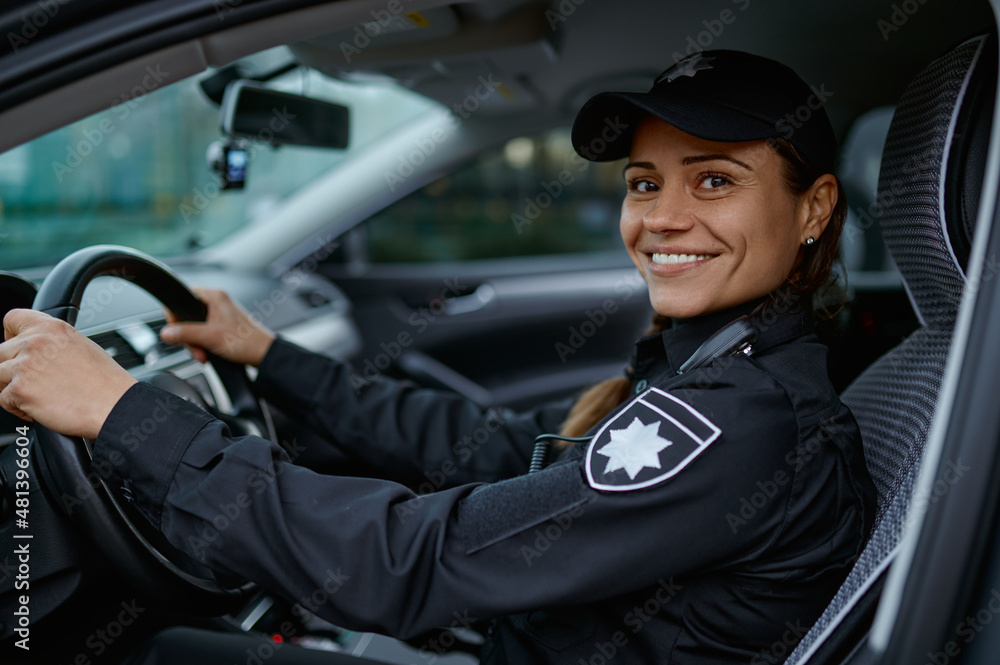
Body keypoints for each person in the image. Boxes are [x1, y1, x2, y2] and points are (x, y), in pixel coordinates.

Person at [0, 50, 875, 664]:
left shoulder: (742, 422)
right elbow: (500, 448)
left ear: (813, 208)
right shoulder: (713, 365)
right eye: (645, 183)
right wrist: (266, 353)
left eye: (713, 180)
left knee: (154, 652)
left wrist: (124, 415)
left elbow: (407, 563)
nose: (662, 218)